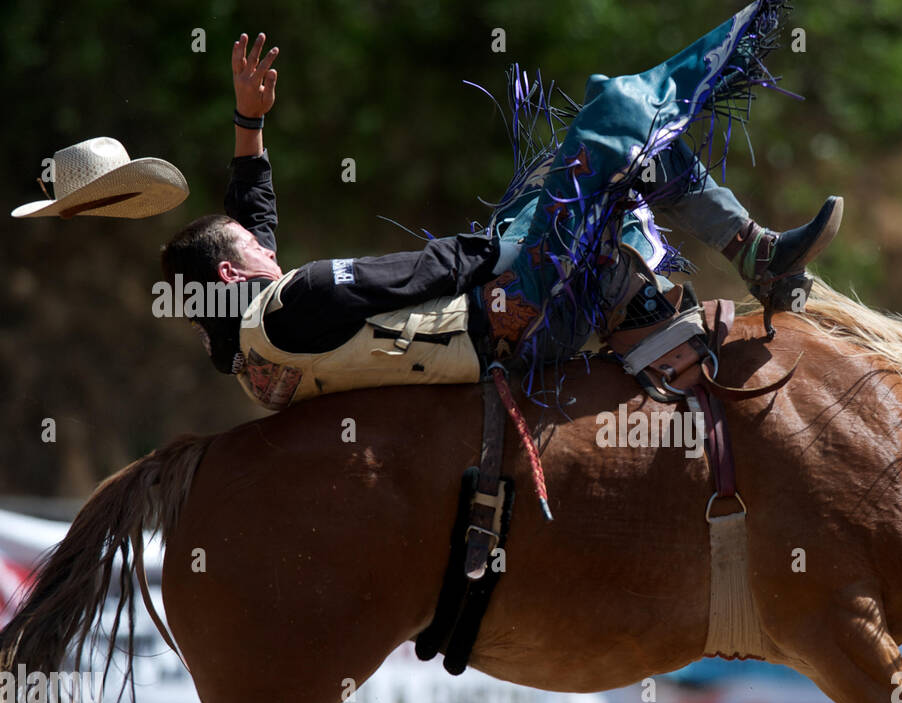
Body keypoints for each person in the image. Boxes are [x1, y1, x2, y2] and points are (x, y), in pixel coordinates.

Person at [165, 16, 840, 411]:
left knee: (571, 169)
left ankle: (747, 253)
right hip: (519, 309)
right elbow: (418, 271)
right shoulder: (298, 299)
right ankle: (716, 266)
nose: (269, 250)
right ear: (232, 275)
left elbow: (243, 229)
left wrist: (248, 126)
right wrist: (514, 250)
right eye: (257, 251)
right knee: (611, 118)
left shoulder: (248, 353)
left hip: (494, 334)